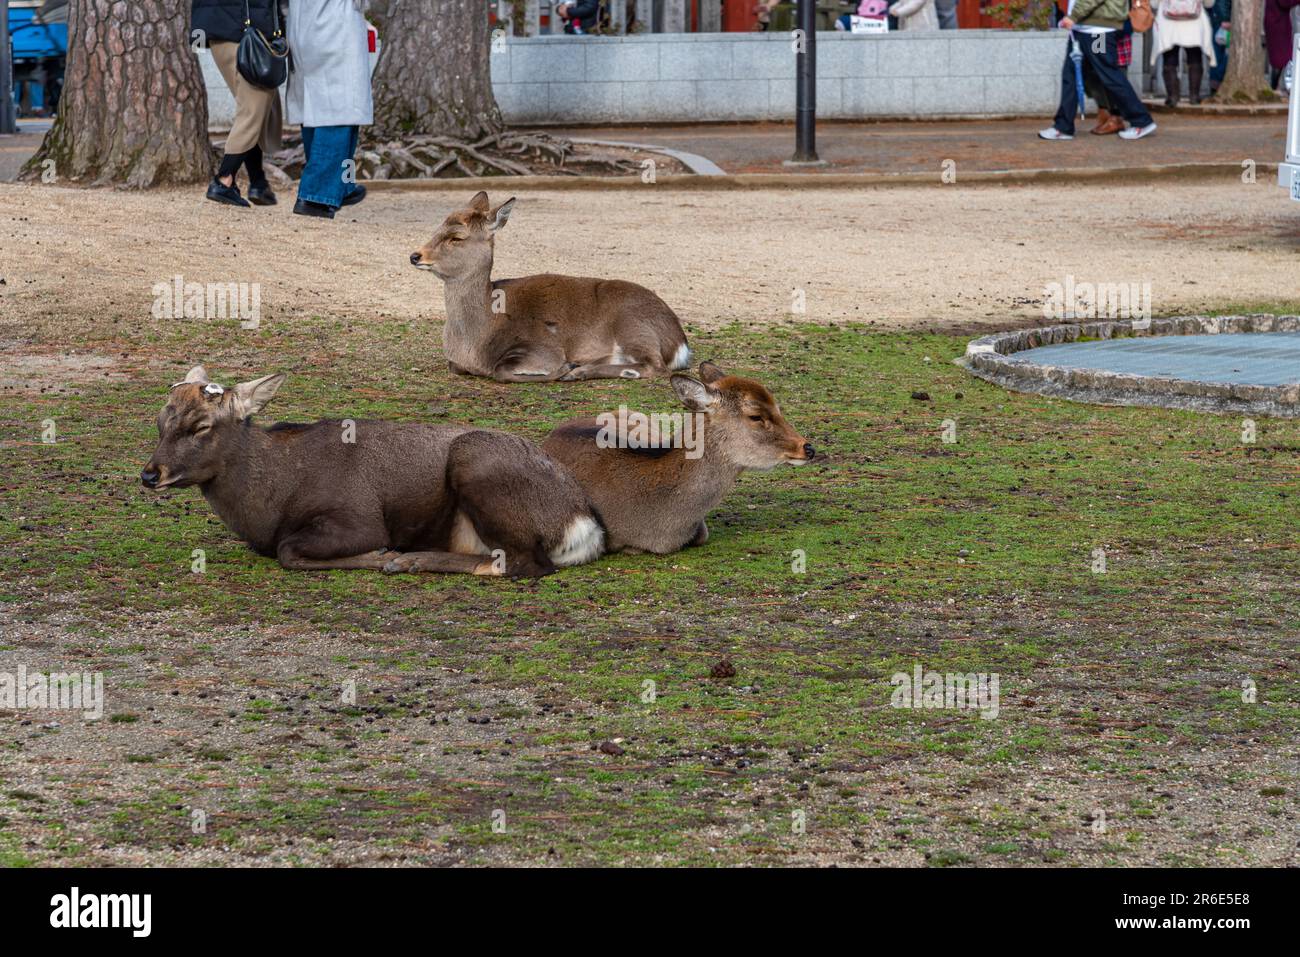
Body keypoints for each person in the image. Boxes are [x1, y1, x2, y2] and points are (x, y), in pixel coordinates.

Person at [191, 0, 284, 208]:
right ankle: (223, 180)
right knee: (254, 108)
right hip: (241, 29)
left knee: (257, 107)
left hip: (225, 27)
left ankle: (258, 182)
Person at [285, 0, 372, 219]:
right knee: (340, 113)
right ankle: (316, 195)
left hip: (301, 29)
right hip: (336, 29)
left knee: (314, 112)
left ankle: (342, 186)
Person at [1040, 0, 1157, 140]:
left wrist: (1073, 16)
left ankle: (1141, 120)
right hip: (1083, 29)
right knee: (1071, 76)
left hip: (1098, 31)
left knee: (1108, 75)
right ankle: (1063, 126)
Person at [1152, 0, 1216, 105]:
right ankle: (1194, 96)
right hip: (1194, 22)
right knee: (1195, 59)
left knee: (1169, 60)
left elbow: (1154, 3)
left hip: (1168, 22)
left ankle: (1172, 97)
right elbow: (1209, 3)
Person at [1265, 0, 1300, 89]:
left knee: (1281, 59)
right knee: (1279, 60)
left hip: (1278, 23)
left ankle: (1276, 86)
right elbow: (1284, 2)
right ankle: (1273, 86)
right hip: (1277, 25)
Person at [1207, 0, 1231, 93]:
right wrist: (1225, 19)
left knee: (1220, 54)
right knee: (1221, 54)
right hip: (1222, 21)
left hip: (1218, 18)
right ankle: (1216, 85)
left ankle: (1215, 85)